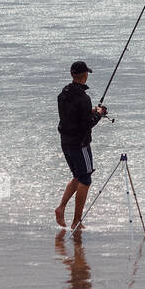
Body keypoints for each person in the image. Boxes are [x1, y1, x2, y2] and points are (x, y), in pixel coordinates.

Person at [55, 60, 107, 229]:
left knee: (78, 176)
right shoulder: (83, 98)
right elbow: (87, 124)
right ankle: (76, 221)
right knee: (85, 179)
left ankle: (61, 208)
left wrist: (90, 111)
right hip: (80, 144)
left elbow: (73, 115)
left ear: (72, 75)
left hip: (66, 142)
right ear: (85, 76)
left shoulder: (63, 94)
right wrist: (98, 114)